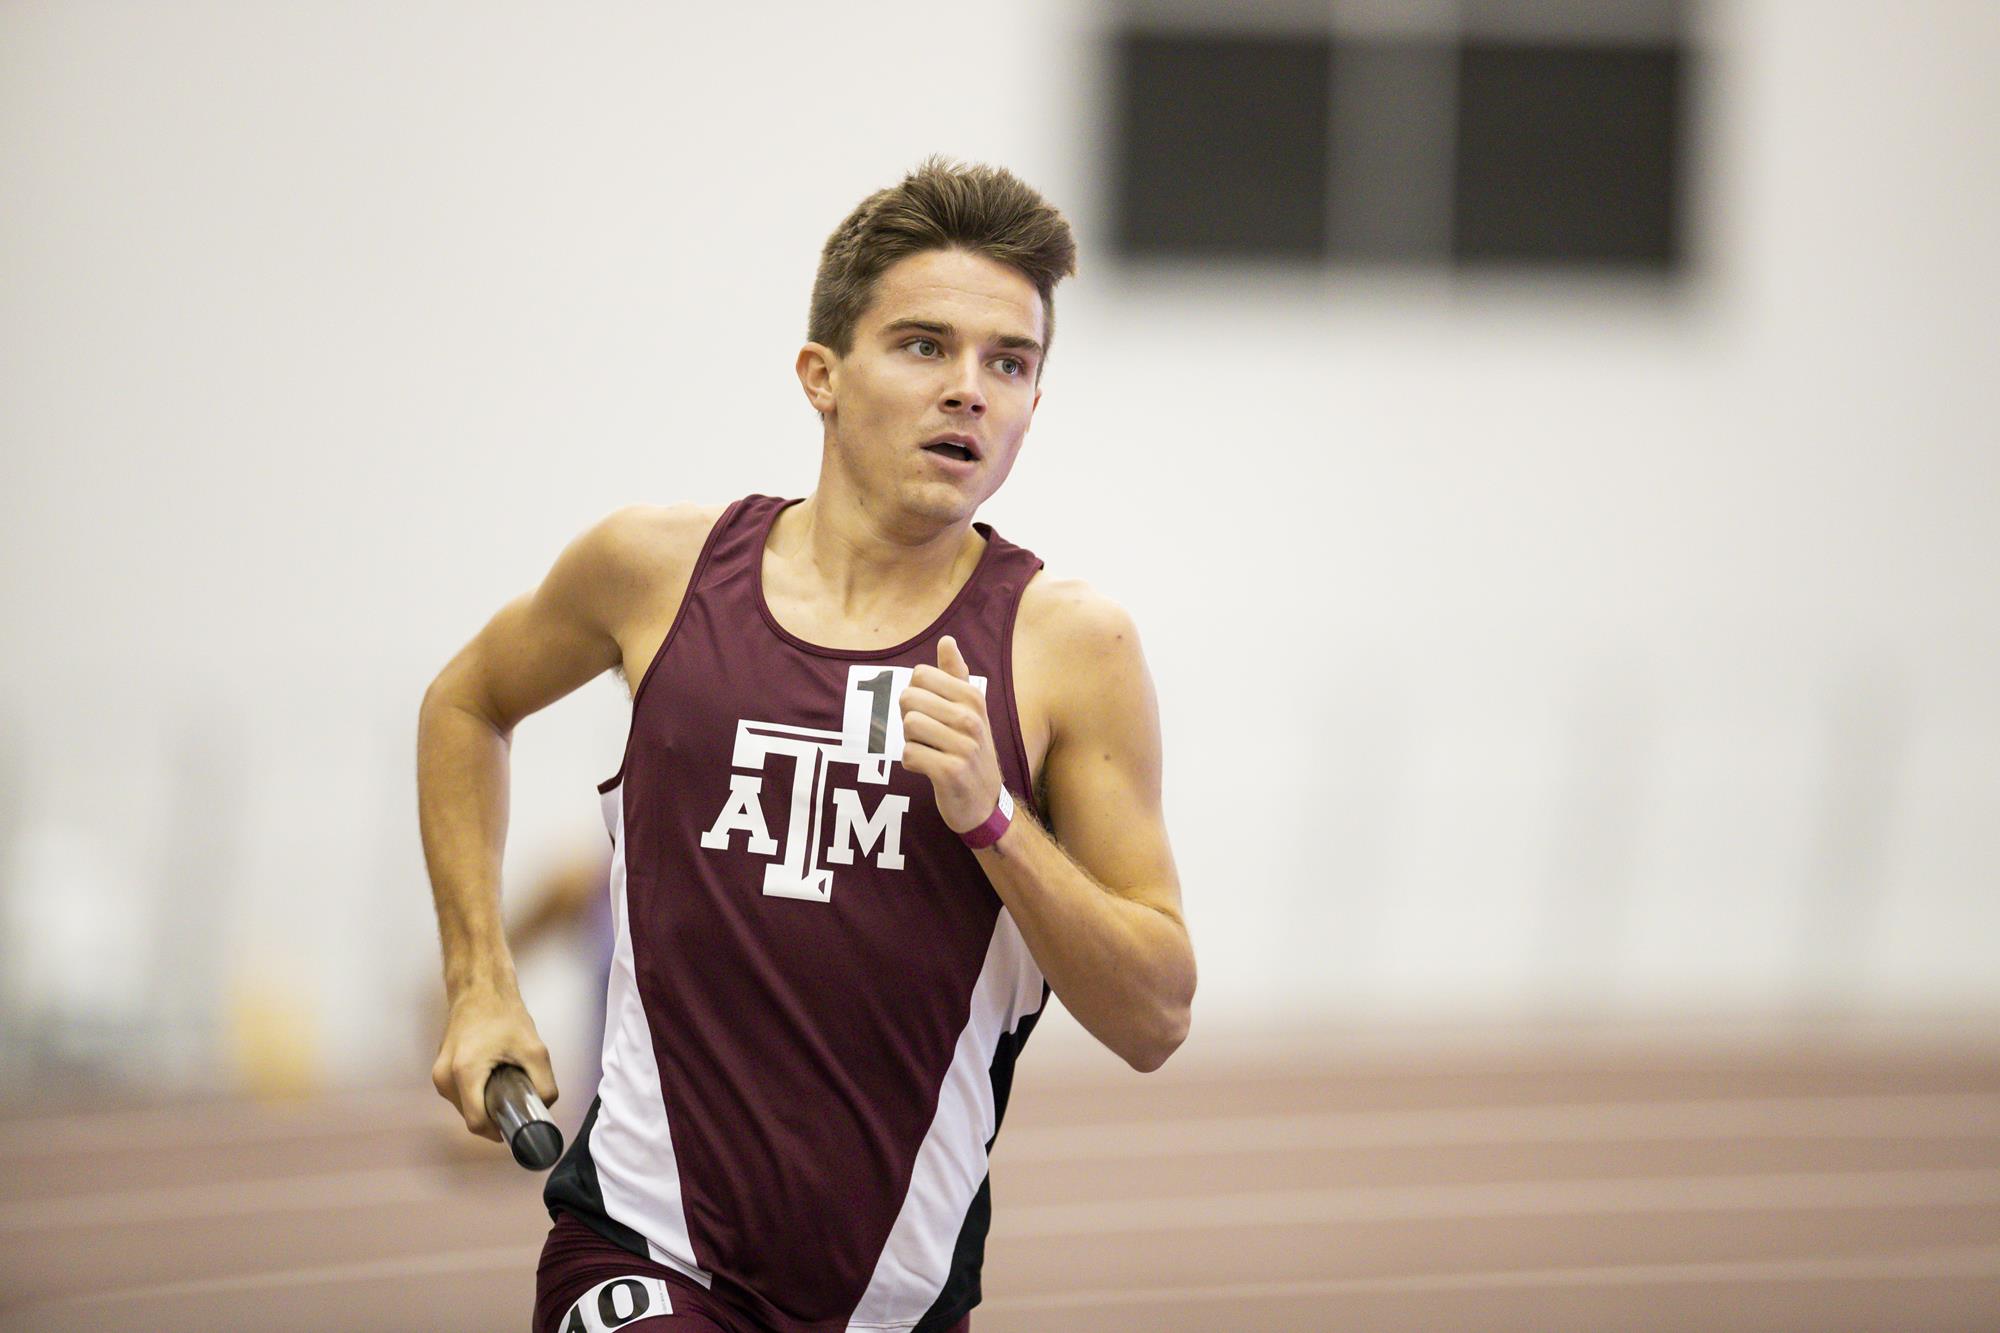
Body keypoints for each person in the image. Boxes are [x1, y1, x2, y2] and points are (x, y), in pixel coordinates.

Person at [418, 156, 1195, 1333]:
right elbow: (467, 704)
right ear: (821, 376)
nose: (969, 391)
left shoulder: (1066, 648)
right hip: (642, 1247)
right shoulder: (657, 571)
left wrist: (995, 821)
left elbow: (1153, 1017)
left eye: (1009, 362)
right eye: (924, 346)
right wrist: (480, 982)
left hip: (894, 1300)